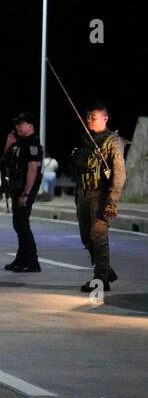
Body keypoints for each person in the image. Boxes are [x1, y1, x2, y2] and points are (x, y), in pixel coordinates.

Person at [71, 102, 127, 293]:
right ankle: (105, 269)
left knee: (98, 236)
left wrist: (112, 201)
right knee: (86, 237)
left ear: (105, 118)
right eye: (87, 117)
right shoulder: (87, 140)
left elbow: (119, 174)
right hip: (84, 194)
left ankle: (101, 279)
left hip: (100, 195)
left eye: (93, 117)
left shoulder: (113, 141)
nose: (89, 121)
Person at [1, 112, 43, 273]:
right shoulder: (18, 143)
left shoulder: (32, 144)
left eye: (21, 124)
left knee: (22, 224)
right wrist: (8, 143)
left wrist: (26, 194)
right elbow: (5, 162)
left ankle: (32, 261)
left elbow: (32, 170)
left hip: (25, 190)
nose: (17, 126)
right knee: (18, 224)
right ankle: (21, 259)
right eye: (16, 124)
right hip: (16, 188)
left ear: (30, 126)